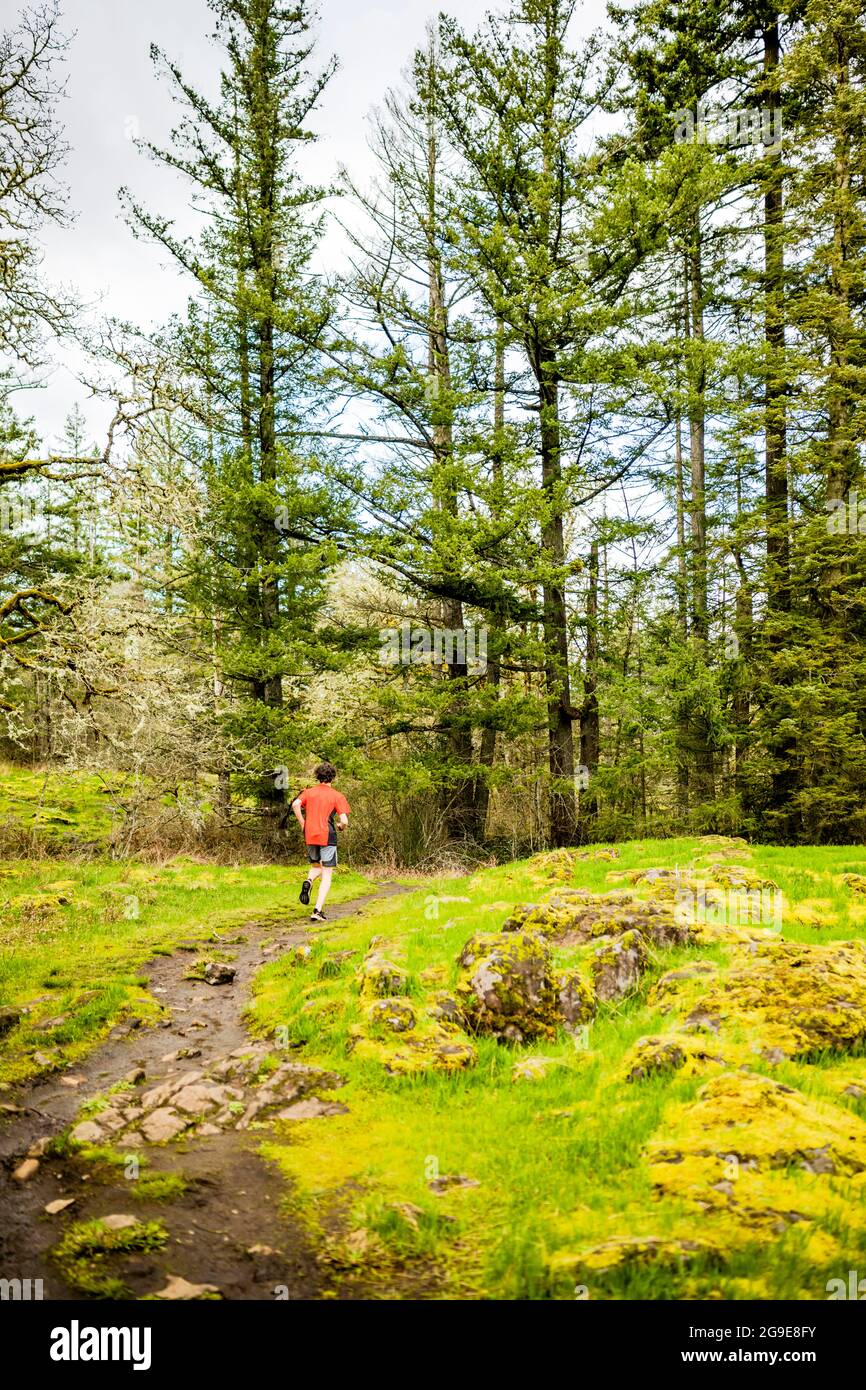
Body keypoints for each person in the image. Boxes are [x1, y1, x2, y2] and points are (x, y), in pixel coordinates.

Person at [291, 762, 350, 922]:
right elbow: (344, 820)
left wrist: (303, 823)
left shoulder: (308, 792)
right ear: (333, 777)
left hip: (310, 834)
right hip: (327, 835)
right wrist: (341, 826)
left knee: (316, 866)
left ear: (317, 776)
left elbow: (295, 804)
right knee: (327, 873)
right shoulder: (337, 796)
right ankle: (317, 911)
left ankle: (309, 881)